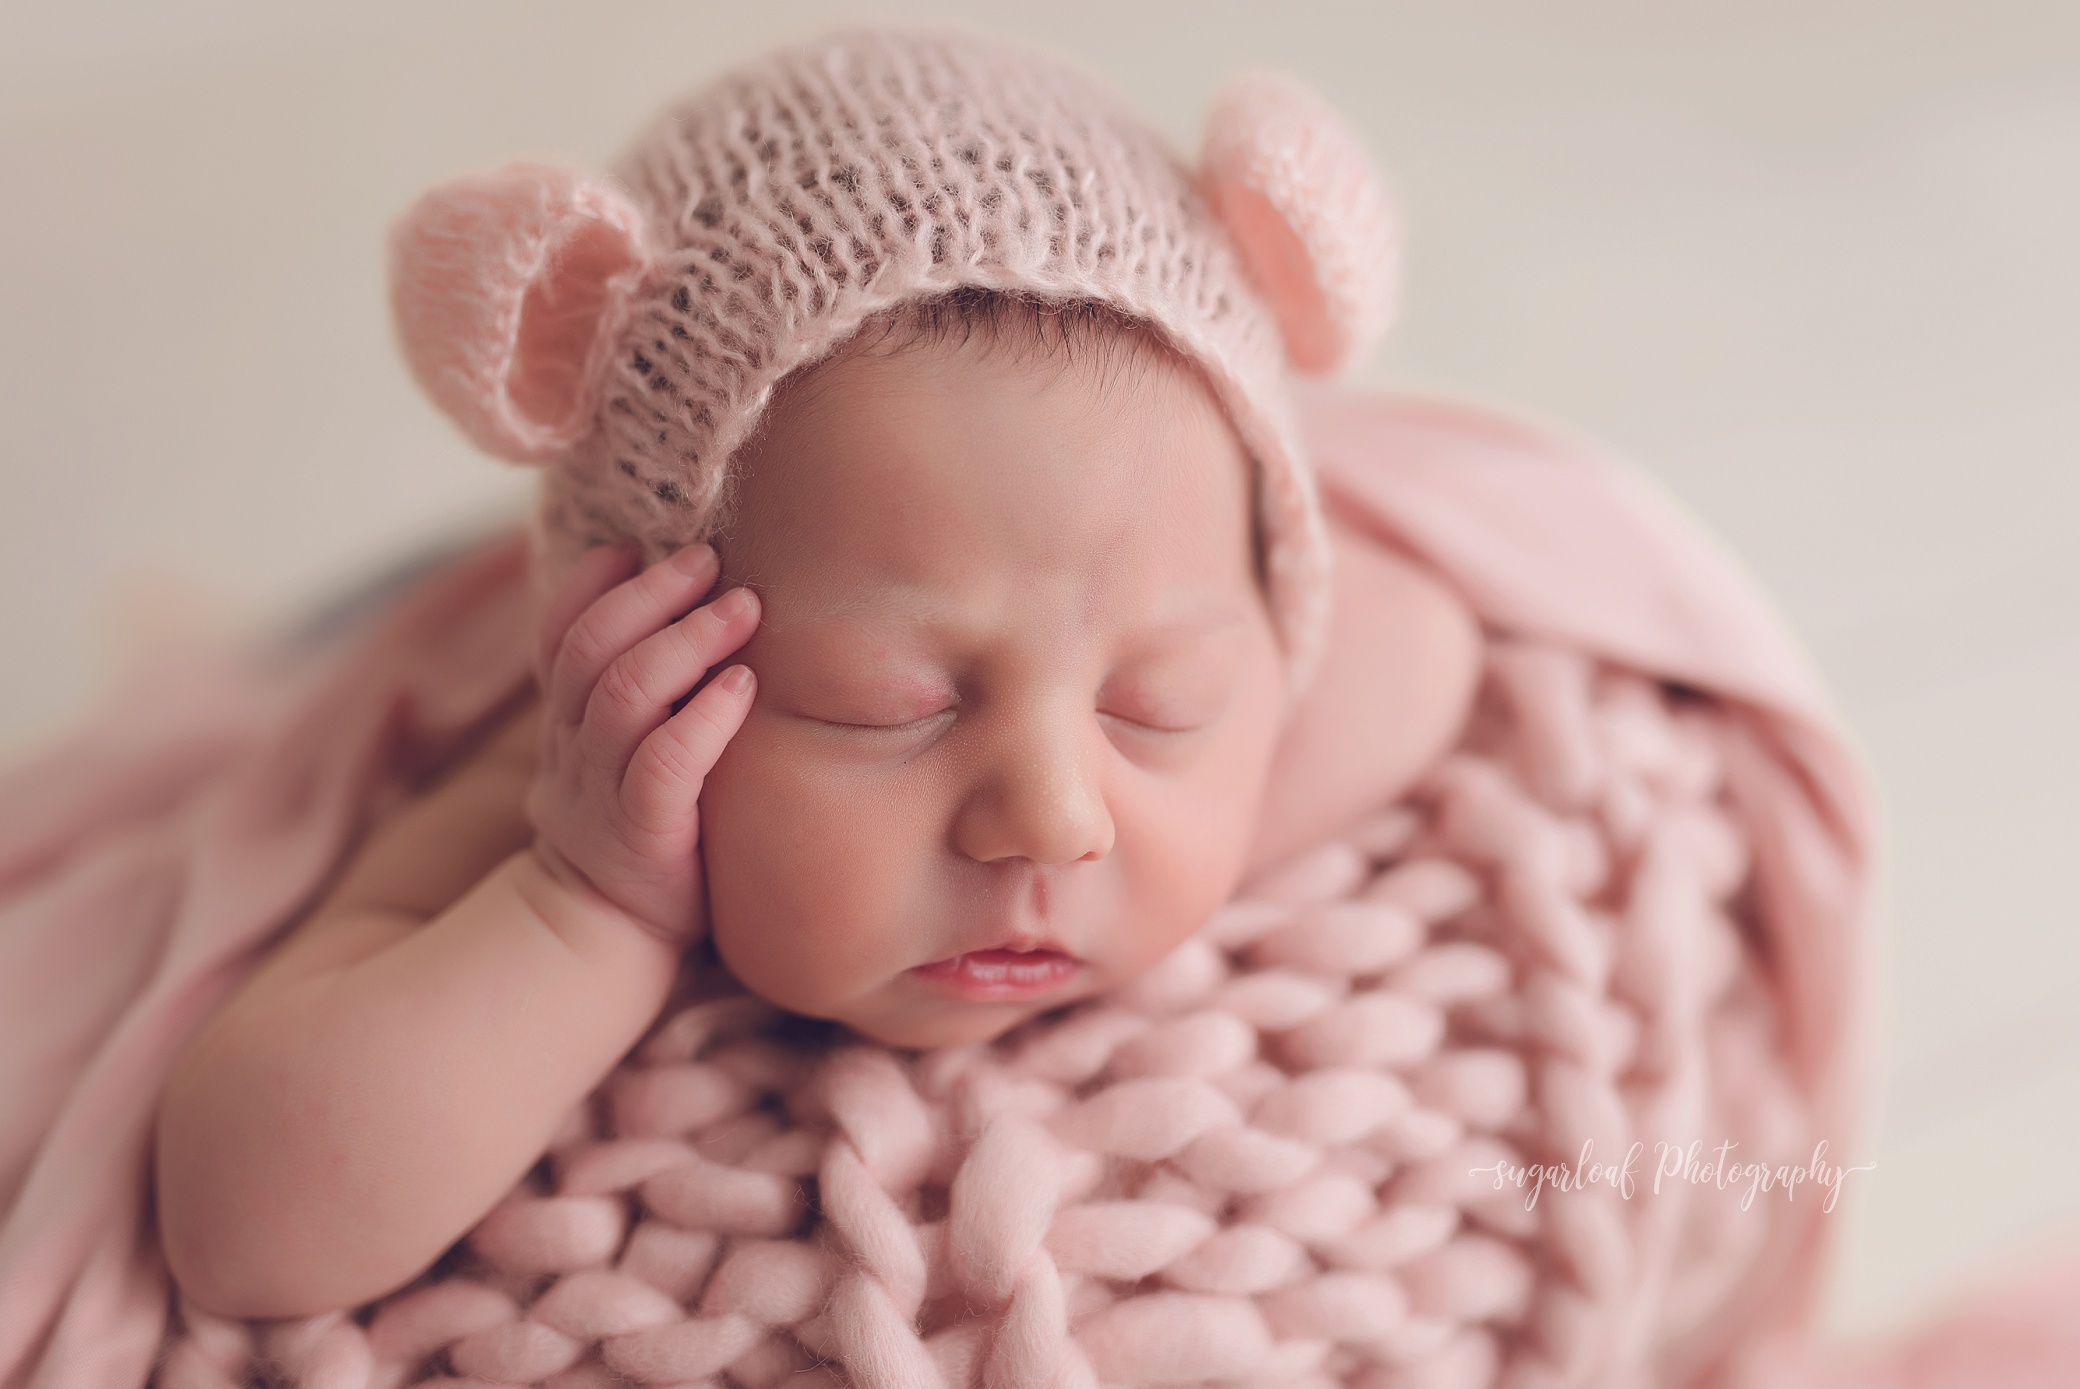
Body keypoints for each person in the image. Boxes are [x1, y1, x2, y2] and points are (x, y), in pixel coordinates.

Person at [17, 26, 1975, 1389]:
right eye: (884, 704)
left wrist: (1232, 682)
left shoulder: (1305, 629)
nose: (1045, 811)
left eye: (1156, 699)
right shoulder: (546, 800)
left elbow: (1419, 641)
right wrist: (585, 905)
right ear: (632, 644)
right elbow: (248, 1219)